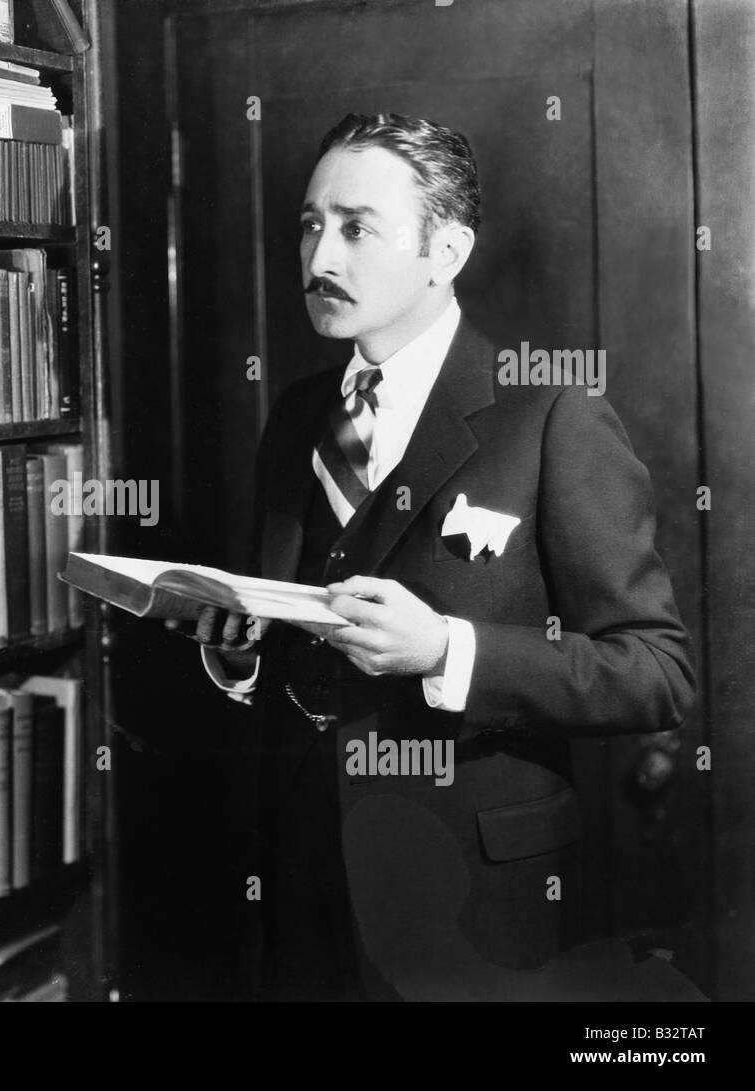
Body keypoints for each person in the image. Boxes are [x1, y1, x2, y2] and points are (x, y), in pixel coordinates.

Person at [168, 113, 696, 1000]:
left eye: (356, 227)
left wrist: (450, 650)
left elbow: (657, 670)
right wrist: (237, 653)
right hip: (299, 878)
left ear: (445, 249)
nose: (319, 255)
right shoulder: (298, 414)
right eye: (309, 223)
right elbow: (289, 624)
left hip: (476, 900)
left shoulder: (549, 415)